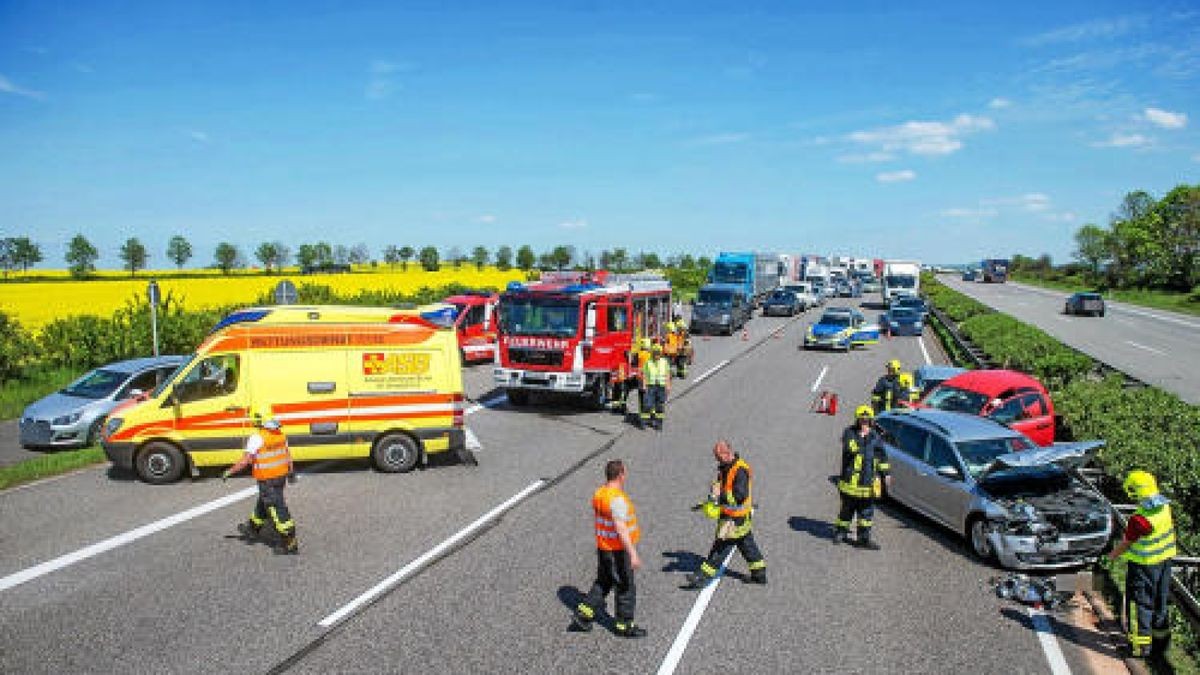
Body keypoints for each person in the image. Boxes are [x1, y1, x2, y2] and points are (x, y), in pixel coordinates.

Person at [572, 459, 647, 638]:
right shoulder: (617, 499)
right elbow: (621, 528)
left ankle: (584, 614)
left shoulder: (600, 493)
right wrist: (633, 553)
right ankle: (624, 626)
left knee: (603, 582)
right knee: (625, 587)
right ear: (621, 475)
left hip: (604, 547)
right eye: (625, 473)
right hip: (617, 551)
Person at [1107, 470, 1177, 660]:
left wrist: (1111, 557)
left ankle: (1138, 648)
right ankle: (1160, 645)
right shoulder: (1164, 507)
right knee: (1160, 603)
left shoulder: (1139, 520)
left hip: (1144, 566)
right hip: (1164, 562)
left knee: (1140, 604)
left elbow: (1126, 543)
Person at [685, 440, 767, 588]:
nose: (717, 459)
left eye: (718, 456)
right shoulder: (725, 467)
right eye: (716, 456)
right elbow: (723, 485)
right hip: (734, 517)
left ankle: (702, 577)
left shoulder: (740, 470)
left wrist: (719, 495)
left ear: (727, 452)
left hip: (735, 519)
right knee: (747, 545)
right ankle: (759, 573)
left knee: (720, 548)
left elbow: (740, 496)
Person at [224, 411, 299, 554]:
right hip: (280, 477)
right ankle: (252, 529)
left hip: (267, 479)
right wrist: (291, 471)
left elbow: (246, 460)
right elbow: (287, 454)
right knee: (264, 502)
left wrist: (229, 471)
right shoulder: (280, 435)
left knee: (277, 509)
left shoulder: (257, 438)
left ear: (261, 422)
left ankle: (289, 542)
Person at [833, 406, 891, 549]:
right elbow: (851, 448)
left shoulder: (876, 437)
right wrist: (863, 437)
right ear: (857, 420)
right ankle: (840, 532)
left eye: (867, 420)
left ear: (871, 421)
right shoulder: (849, 433)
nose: (864, 423)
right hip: (850, 485)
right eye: (862, 420)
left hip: (867, 485)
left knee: (866, 515)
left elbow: (882, 457)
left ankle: (863, 539)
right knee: (846, 511)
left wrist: (886, 474)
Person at [640, 342, 671, 430]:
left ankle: (659, 424)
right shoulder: (648, 362)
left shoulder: (664, 362)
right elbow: (644, 375)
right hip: (651, 386)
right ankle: (644, 422)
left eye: (658, 353)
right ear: (652, 353)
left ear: (660, 353)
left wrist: (668, 386)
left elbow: (667, 374)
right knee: (647, 405)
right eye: (655, 353)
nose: (657, 355)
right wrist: (644, 385)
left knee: (660, 406)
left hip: (661, 386)